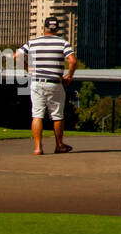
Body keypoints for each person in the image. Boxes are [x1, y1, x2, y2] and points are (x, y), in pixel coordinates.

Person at [14, 16, 77, 155]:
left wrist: (27, 68)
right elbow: (72, 61)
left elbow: (16, 56)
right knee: (57, 115)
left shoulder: (33, 42)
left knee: (37, 115)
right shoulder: (62, 43)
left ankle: (38, 148)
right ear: (58, 29)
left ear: (44, 28)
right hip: (54, 82)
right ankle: (59, 145)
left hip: (37, 82)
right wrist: (69, 76)